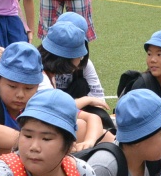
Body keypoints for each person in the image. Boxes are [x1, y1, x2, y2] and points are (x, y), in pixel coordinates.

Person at [38, 17, 111, 149]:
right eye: (80, 55)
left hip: (60, 117)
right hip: (42, 132)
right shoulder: (40, 77)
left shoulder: (48, 72)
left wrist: (89, 141)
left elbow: (92, 115)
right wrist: (86, 100)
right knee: (82, 125)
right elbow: (56, 107)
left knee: (99, 129)